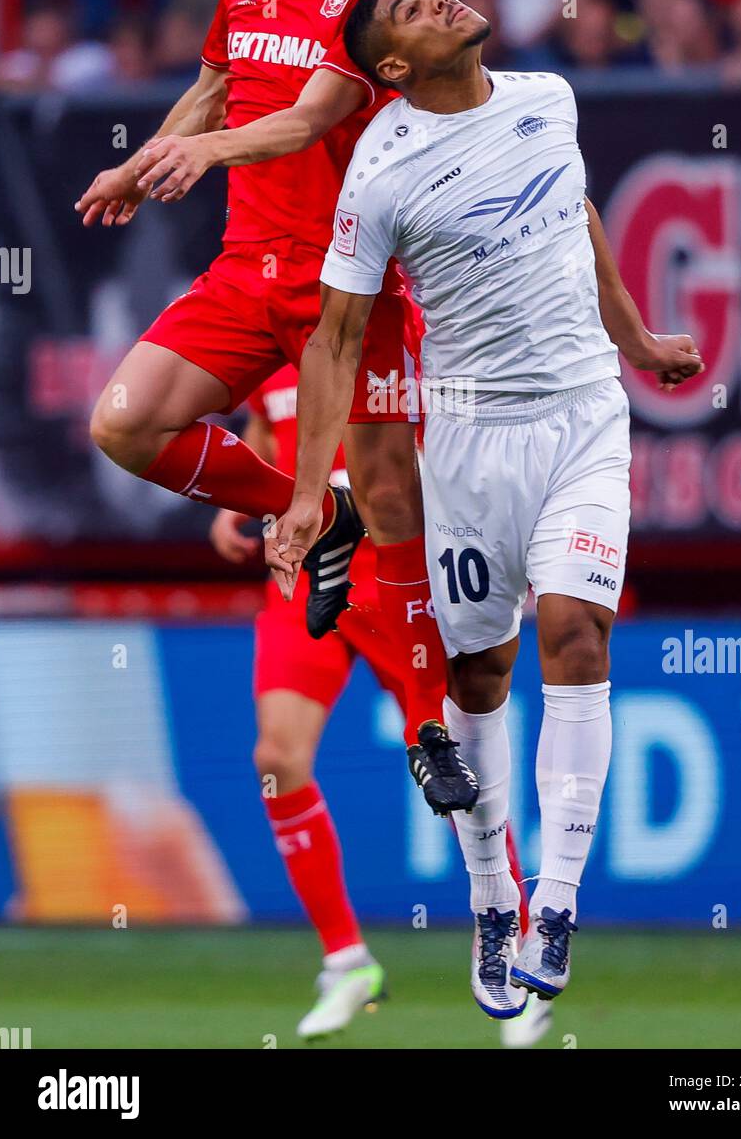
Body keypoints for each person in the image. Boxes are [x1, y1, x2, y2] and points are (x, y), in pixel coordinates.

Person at [269, 0, 704, 1020]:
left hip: (582, 417)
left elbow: (575, 209)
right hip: (465, 439)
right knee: (477, 672)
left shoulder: (546, 97)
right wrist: (300, 493)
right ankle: (489, 898)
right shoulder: (377, 172)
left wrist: (634, 336)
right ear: (389, 71)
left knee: (576, 632)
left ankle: (554, 898)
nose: (436, 0)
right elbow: (333, 339)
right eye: (409, 12)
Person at [76, 0, 478, 818]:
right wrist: (141, 161)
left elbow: (303, 119)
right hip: (246, 273)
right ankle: (307, 512)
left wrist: (204, 154)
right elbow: (214, 84)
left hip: (350, 286)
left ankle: (428, 726)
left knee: (394, 513)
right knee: (122, 424)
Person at [212, 364, 549, 1045]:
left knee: (449, 758)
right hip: (306, 577)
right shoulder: (274, 325)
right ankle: (345, 960)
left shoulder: (409, 326)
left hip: (403, 576)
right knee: (277, 756)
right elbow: (265, 422)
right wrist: (237, 500)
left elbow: (479, 438)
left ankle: (518, 944)